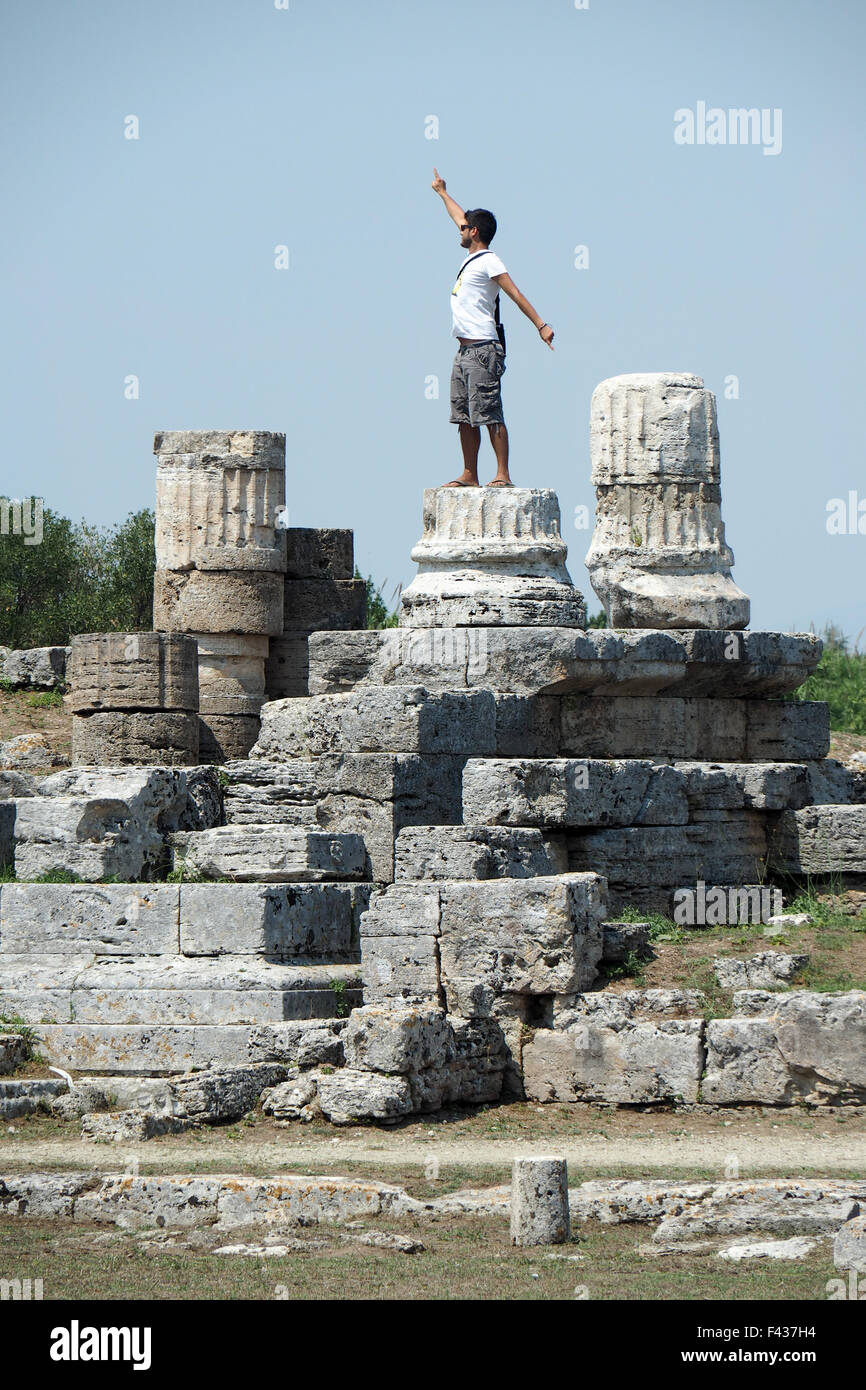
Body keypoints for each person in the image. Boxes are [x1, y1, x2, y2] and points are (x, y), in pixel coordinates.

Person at [431, 167, 554, 488]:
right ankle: (469, 473)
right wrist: (443, 192)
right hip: (463, 350)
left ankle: (502, 474)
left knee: (488, 411)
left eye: (464, 228)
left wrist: (541, 325)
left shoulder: (489, 261)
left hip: (484, 349)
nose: (459, 230)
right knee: (463, 415)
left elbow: (515, 294)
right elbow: (458, 216)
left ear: (474, 232)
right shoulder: (470, 256)